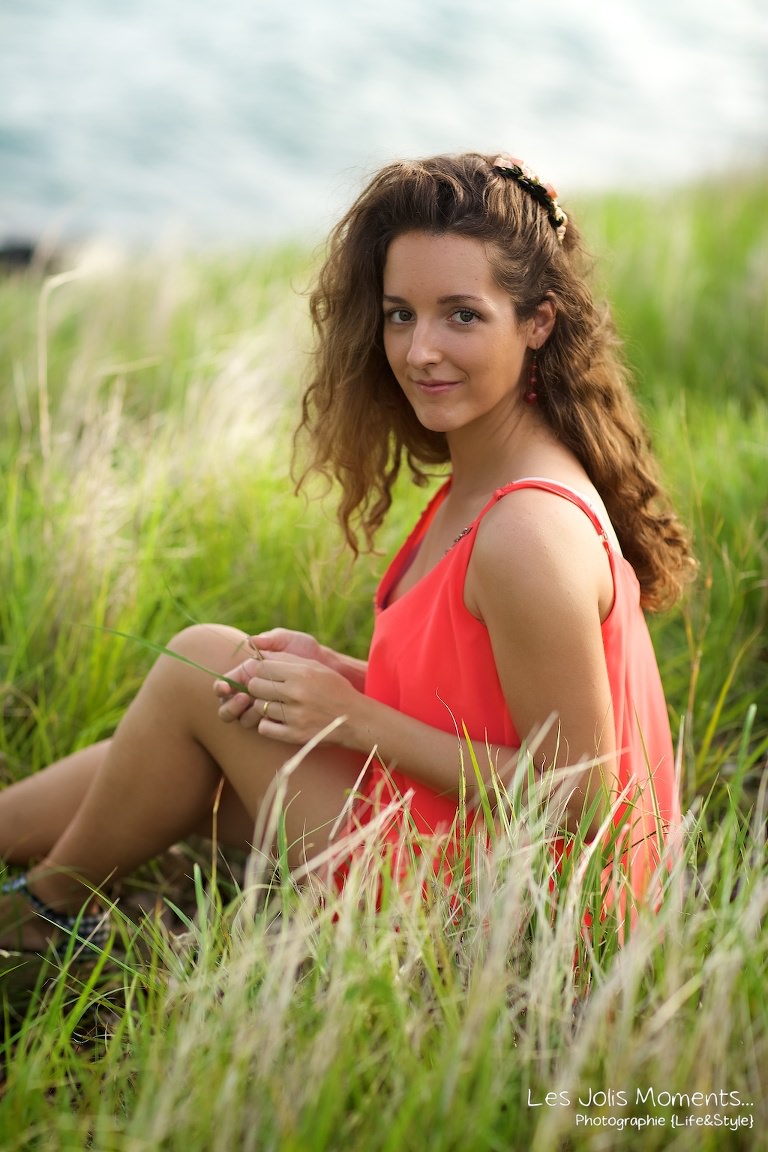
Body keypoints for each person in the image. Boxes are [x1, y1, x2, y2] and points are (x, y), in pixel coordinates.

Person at [0, 152, 695, 955]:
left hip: (512, 922)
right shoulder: (487, 478)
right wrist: (341, 677)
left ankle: (36, 919)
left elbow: (582, 800)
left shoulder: (528, 532)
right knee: (206, 718)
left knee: (203, 669)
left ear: (537, 321)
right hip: (469, 846)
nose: (419, 350)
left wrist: (357, 719)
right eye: (401, 314)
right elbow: (483, 705)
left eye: (462, 316)